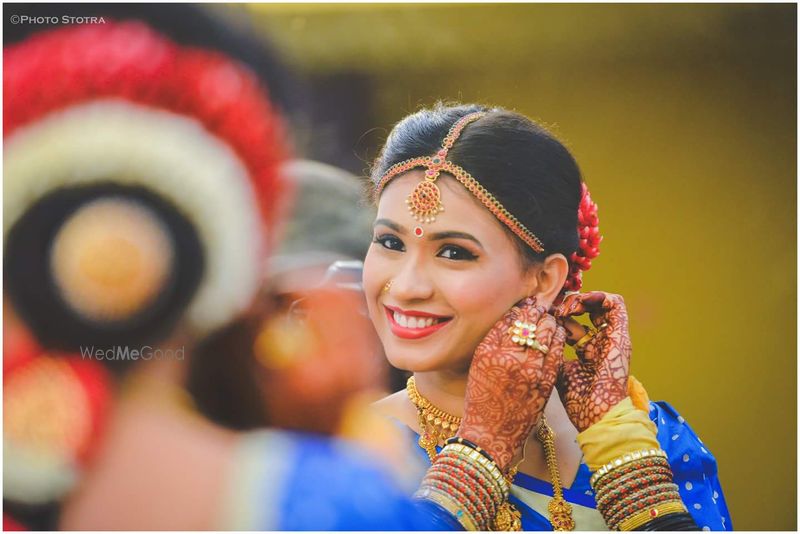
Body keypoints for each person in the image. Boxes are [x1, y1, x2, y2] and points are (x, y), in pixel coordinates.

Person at [365, 103, 733, 530]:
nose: (407, 286)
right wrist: (481, 453)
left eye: (453, 253)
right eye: (390, 243)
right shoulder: (340, 454)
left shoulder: (650, 441)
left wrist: (622, 455)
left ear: (543, 279)